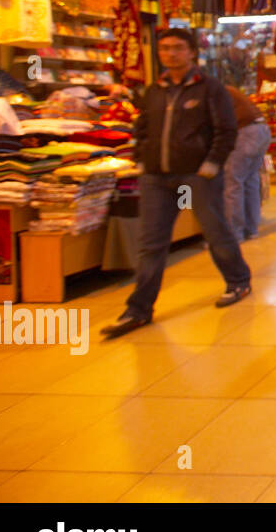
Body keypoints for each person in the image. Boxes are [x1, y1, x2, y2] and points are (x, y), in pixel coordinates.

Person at [101, 28, 253, 339]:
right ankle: (138, 309)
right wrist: (142, 160)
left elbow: (226, 130)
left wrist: (210, 165)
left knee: (215, 230)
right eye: (165, 48)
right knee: (151, 243)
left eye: (178, 48)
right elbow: (141, 128)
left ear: (192, 52)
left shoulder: (210, 89)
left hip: (196, 175)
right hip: (157, 177)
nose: (171, 54)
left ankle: (238, 280)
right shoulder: (153, 91)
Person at [223, 84, 271, 242]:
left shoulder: (212, 92)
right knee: (250, 180)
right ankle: (251, 229)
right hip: (261, 130)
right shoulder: (229, 90)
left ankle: (234, 234)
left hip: (245, 133)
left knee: (233, 182)